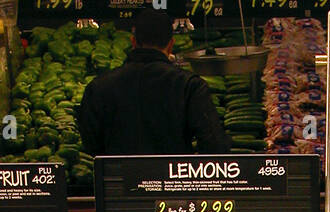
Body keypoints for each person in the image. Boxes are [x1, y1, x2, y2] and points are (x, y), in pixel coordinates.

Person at [78, 11, 230, 157]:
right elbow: (214, 144)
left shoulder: (98, 87)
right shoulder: (190, 86)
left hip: (118, 179)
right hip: (172, 180)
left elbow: (91, 144)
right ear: (171, 45)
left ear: (133, 42)